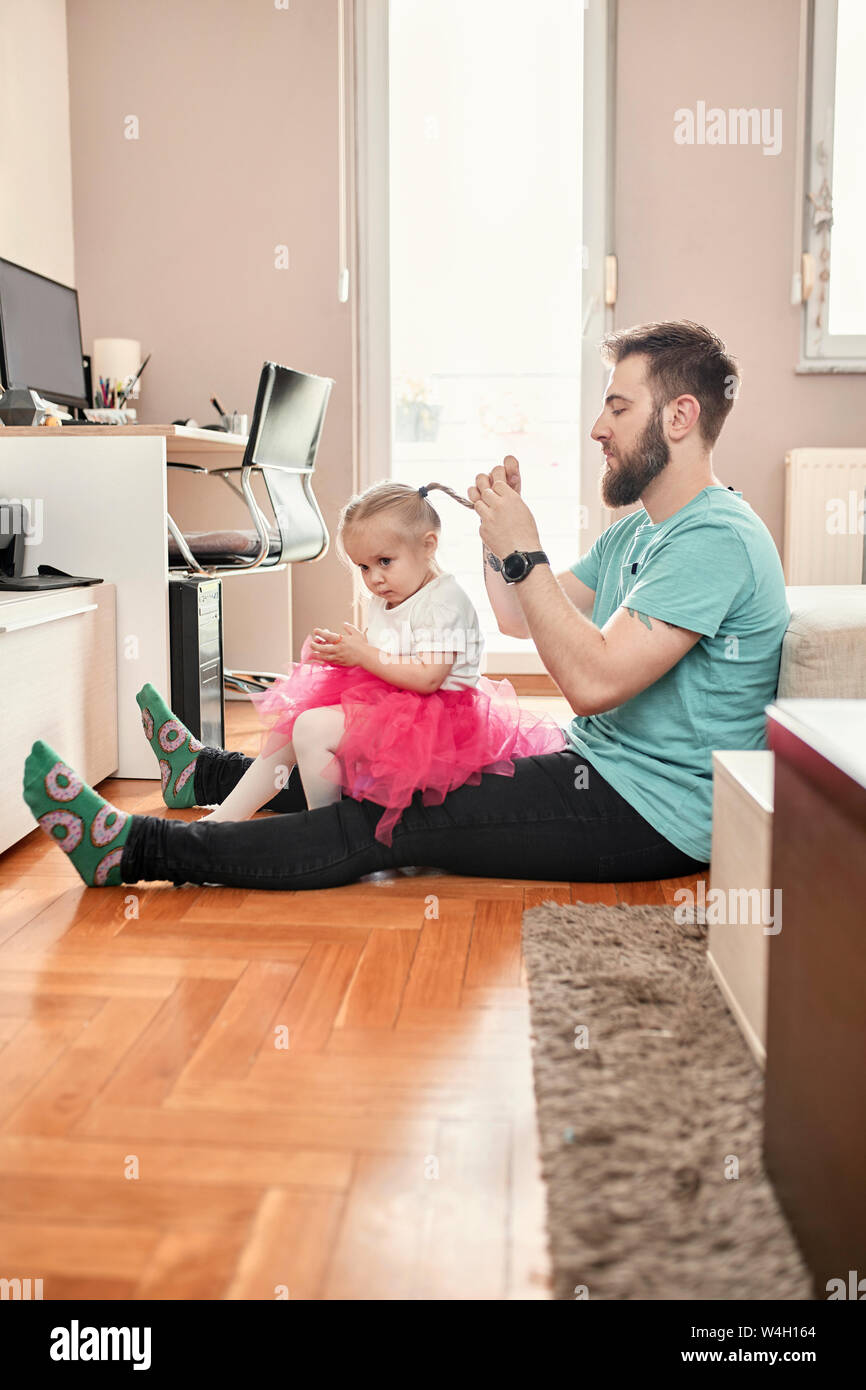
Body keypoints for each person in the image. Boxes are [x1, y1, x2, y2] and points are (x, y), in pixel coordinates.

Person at [21, 320, 791, 890]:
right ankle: (211, 774)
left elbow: (591, 681)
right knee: (381, 770)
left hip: (651, 813)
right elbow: (520, 617)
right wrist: (500, 542)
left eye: (618, 408)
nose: (598, 427)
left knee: (386, 819)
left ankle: (140, 849)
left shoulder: (714, 538)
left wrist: (527, 553)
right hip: (600, 766)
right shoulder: (641, 533)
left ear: (681, 417)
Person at [146, 479, 566, 845]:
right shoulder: (392, 593)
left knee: (311, 728)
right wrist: (351, 647)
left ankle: (328, 833)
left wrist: (364, 653)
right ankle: (223, 819)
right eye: (364, 566)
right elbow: (391, 648)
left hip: (436, 720)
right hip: (397, 700)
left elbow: (427, 677)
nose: (374, 577)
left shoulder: (444, 601)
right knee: (298, 725)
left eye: (385, 562)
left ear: (428, 545)